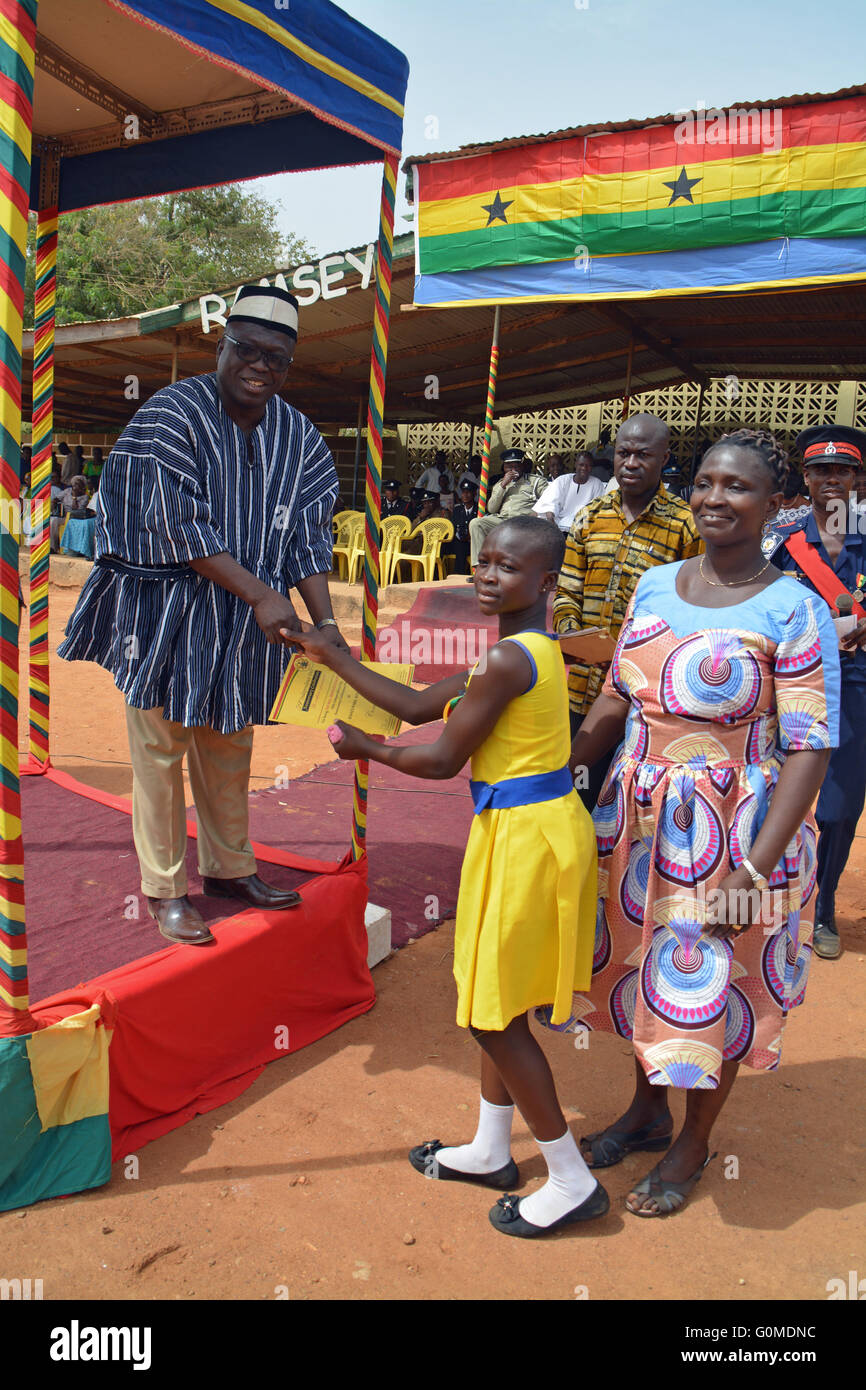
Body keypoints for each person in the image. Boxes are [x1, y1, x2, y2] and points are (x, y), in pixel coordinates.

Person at [548, 428, 839, 1217]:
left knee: (719, 981)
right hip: (638, 818)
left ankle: (694, 1139)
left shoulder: (796, 609)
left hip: (737, 831)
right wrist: (566, 772)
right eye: (706, 481)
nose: (715, 497)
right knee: (645, 964)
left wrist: (754, 867)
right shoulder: (655, 584)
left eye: (738, 487)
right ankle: (646, 1112)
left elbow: (811, 749)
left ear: (775, 505)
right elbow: (615, 696)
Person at [286, 515, 603, 1237]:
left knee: (490, 1014)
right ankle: (493, 1150)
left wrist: (364, 750)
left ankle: (570, 1177)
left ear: (547, 581)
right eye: (483, 562)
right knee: (499, 1000)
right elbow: (414, 704)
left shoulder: (506, 663)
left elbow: (437, 757)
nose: (488, 575)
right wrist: (332, 654)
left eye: (509, 567)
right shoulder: (526, 650)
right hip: (529, 829)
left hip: (527, 839)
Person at [58, 284, 345, 946]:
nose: (261, 365)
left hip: (243, 624)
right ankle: (163, 888)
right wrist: (262, 595)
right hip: (166, 611)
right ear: (224, 344)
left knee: (230, 739)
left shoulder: (297, 437)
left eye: (277, 357)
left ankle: (228, 870)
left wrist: (324, 619)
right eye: (248, 349)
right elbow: (173, 526)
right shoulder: (170, 416)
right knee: (161, 747)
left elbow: (307, 536)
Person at [554, 413, 702, 810]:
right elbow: (568, 588)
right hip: (581, 690)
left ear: (664, 458)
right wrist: (574, 637)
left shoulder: (686, 527)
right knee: (575, 798)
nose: (631, 463)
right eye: (624, 454)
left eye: (643, 455)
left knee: (629, 805)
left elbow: (692, 613)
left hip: (644, 700)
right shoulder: (589, 517)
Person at [762, 424, 866, 960]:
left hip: (856, 688)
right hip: (789, 688)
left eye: (843, 470)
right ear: (805, 477)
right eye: (821, 470)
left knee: (839, 808)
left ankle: (823, 908)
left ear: (859, 481)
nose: (832, 479)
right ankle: (761, 902)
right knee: (768, 795)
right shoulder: (780, 544)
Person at [467, 448, 547, 572]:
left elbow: (549, 500)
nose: (512, 470)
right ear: (504, 468)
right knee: (476, 523)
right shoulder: (500, 484)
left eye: (516, 466)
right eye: (508, 466)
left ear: (522, 465)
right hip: (503, 520)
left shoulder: (535, 481)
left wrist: (536, 513)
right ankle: (480, 569)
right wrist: (503, 486)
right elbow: (492, 509)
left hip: (523, 521)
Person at [533, 451, 605, 533]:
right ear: (576, 465)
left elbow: (597, 510)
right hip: (558, 523)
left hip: (583, 525)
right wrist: (552, 525)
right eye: (581, 465)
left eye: (588, 465)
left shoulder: (597, 484)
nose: (584, 468)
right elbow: (550, 504)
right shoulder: (562, 480)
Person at [447, 480, 478, 574]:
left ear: (474, 494)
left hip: (473, 543)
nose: (465, 495)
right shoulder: (457, 509)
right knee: (457, 545)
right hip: (459, 542)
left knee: (461, 547)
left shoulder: (479, 509)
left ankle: (460, 574)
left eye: (468, 492)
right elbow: (453, 527)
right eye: (463, 492)